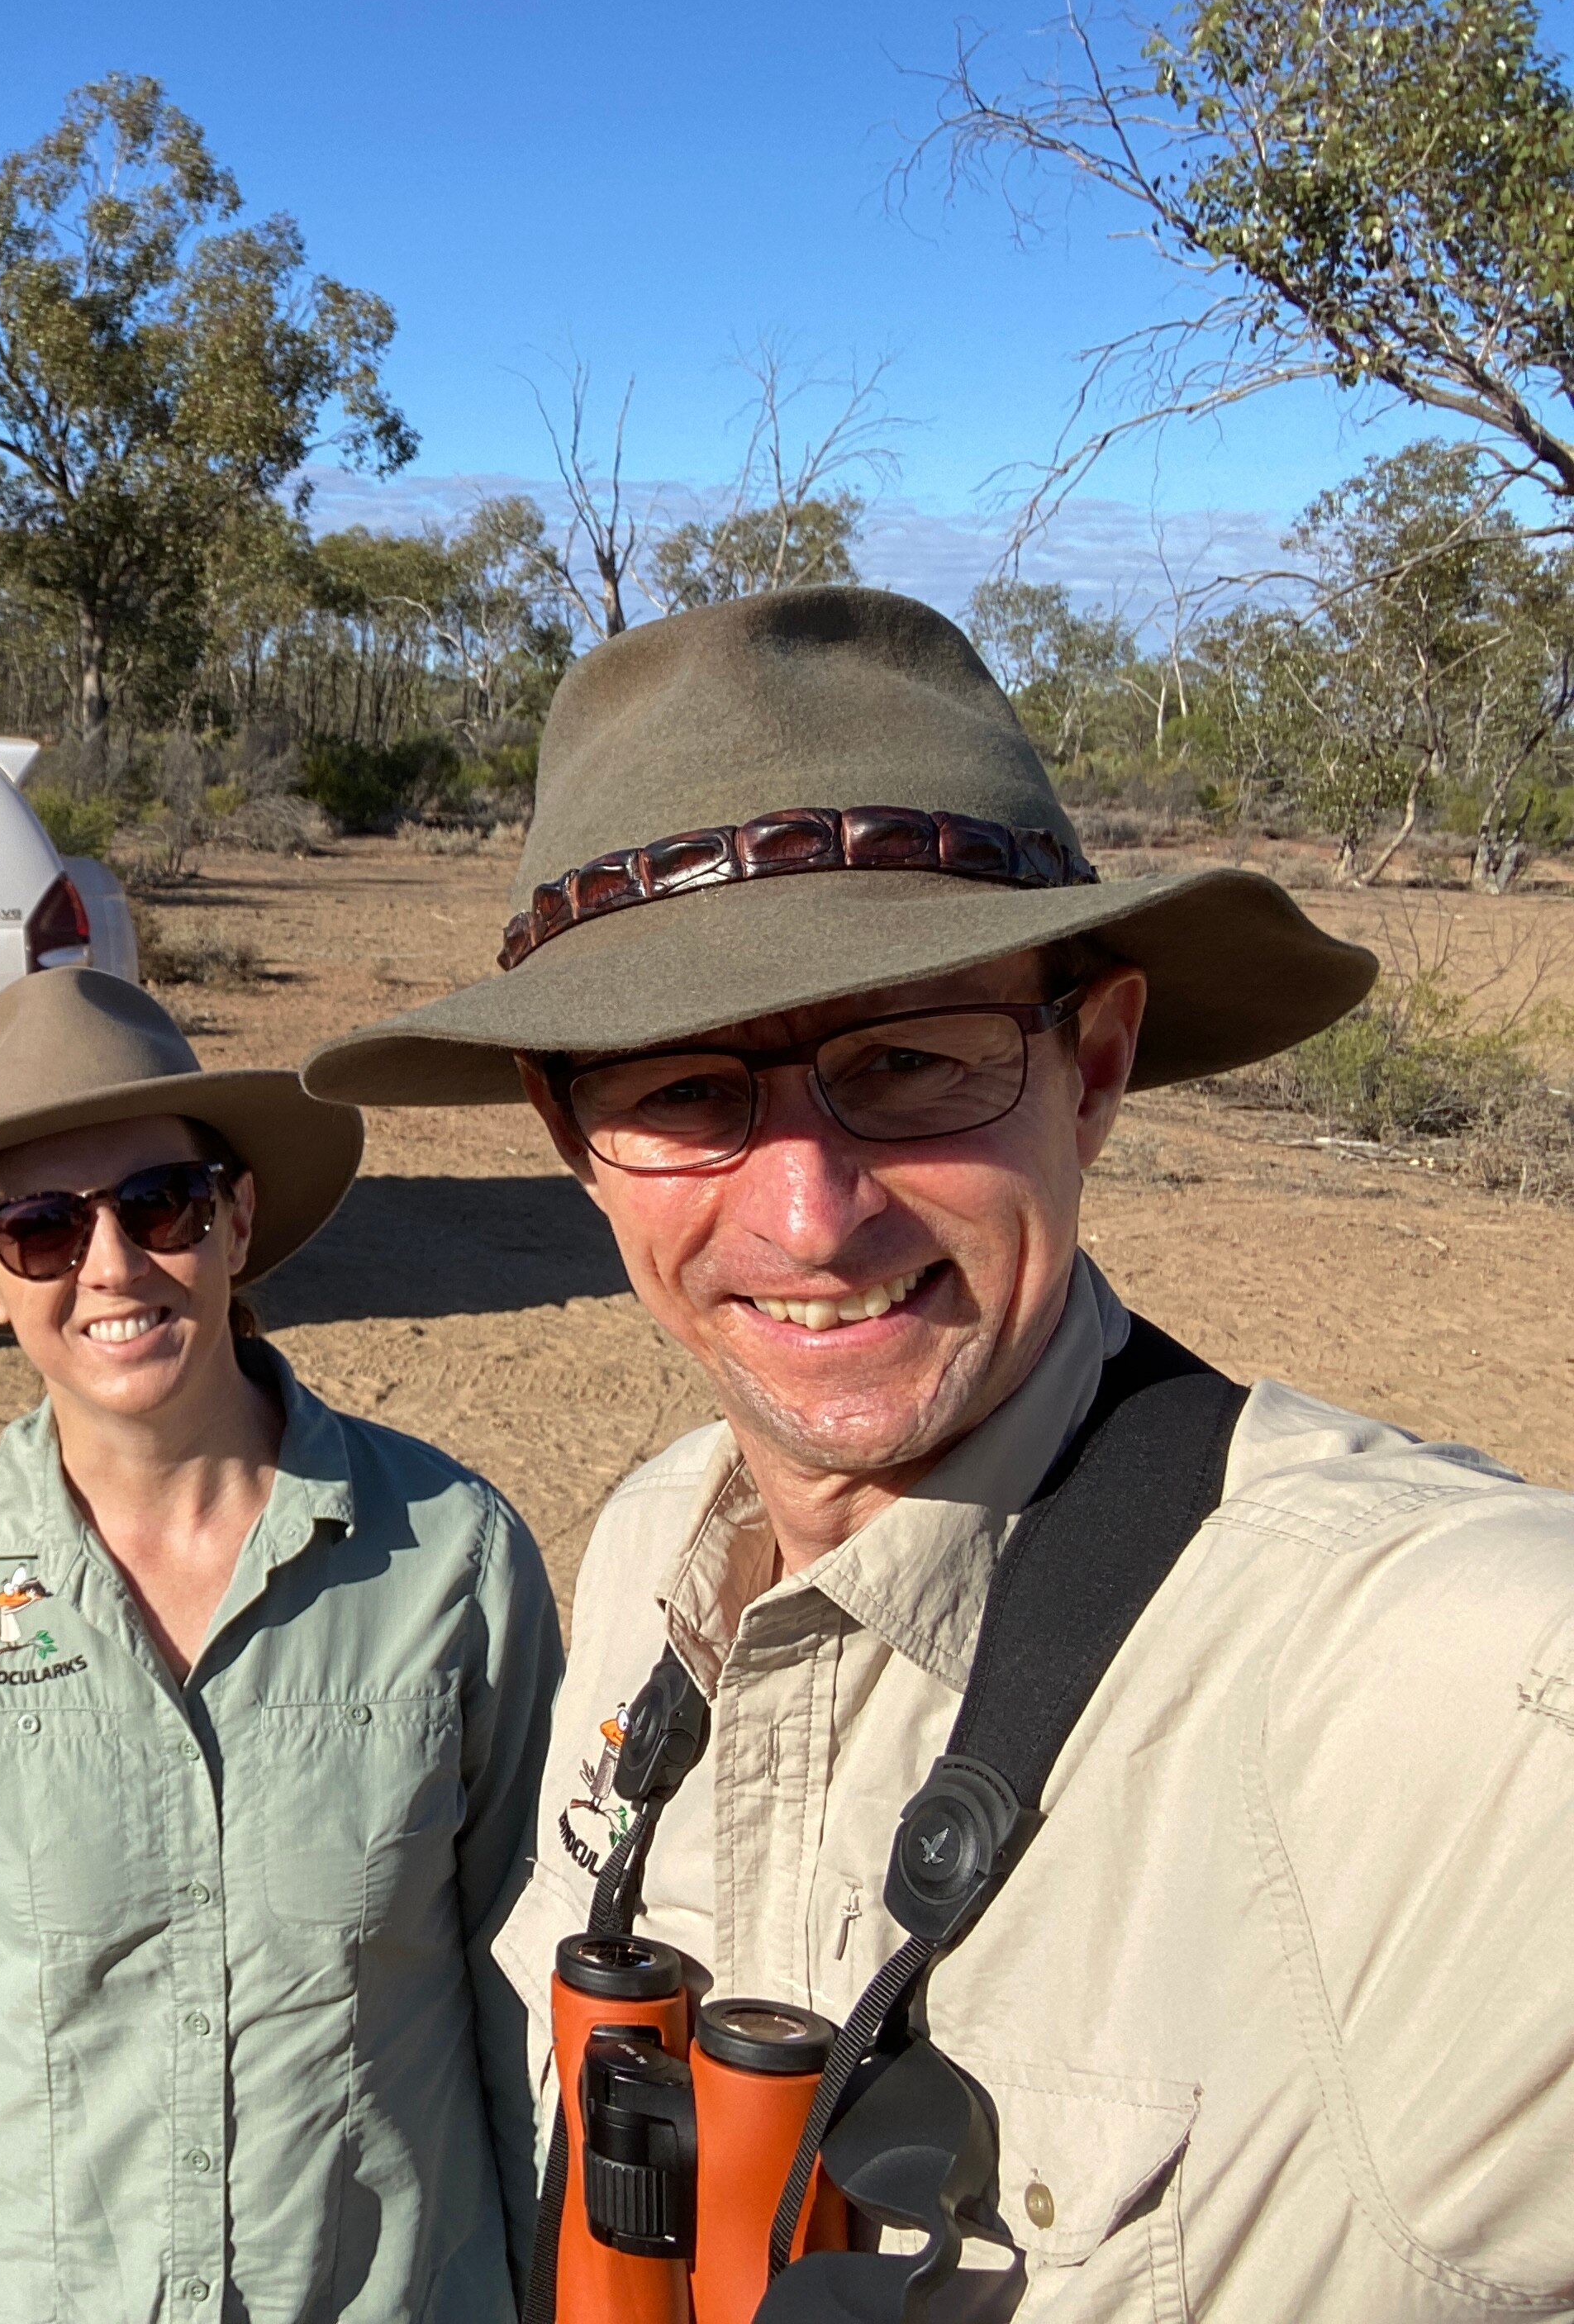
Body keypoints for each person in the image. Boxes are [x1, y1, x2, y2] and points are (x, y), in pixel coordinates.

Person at [305, 586, 1574, 2320]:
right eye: (684, 1092)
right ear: (572, 1136)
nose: (810, 1216)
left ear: (1094, 1068)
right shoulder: (659, 1542)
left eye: (909, 1062)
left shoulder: (1421, 1681)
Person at [0, 967, 565, 2324]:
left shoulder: (452, 1558)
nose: (114, 1265)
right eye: (40, 1228)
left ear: (236, 1220)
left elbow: (529, 2000)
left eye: (161, 1203)